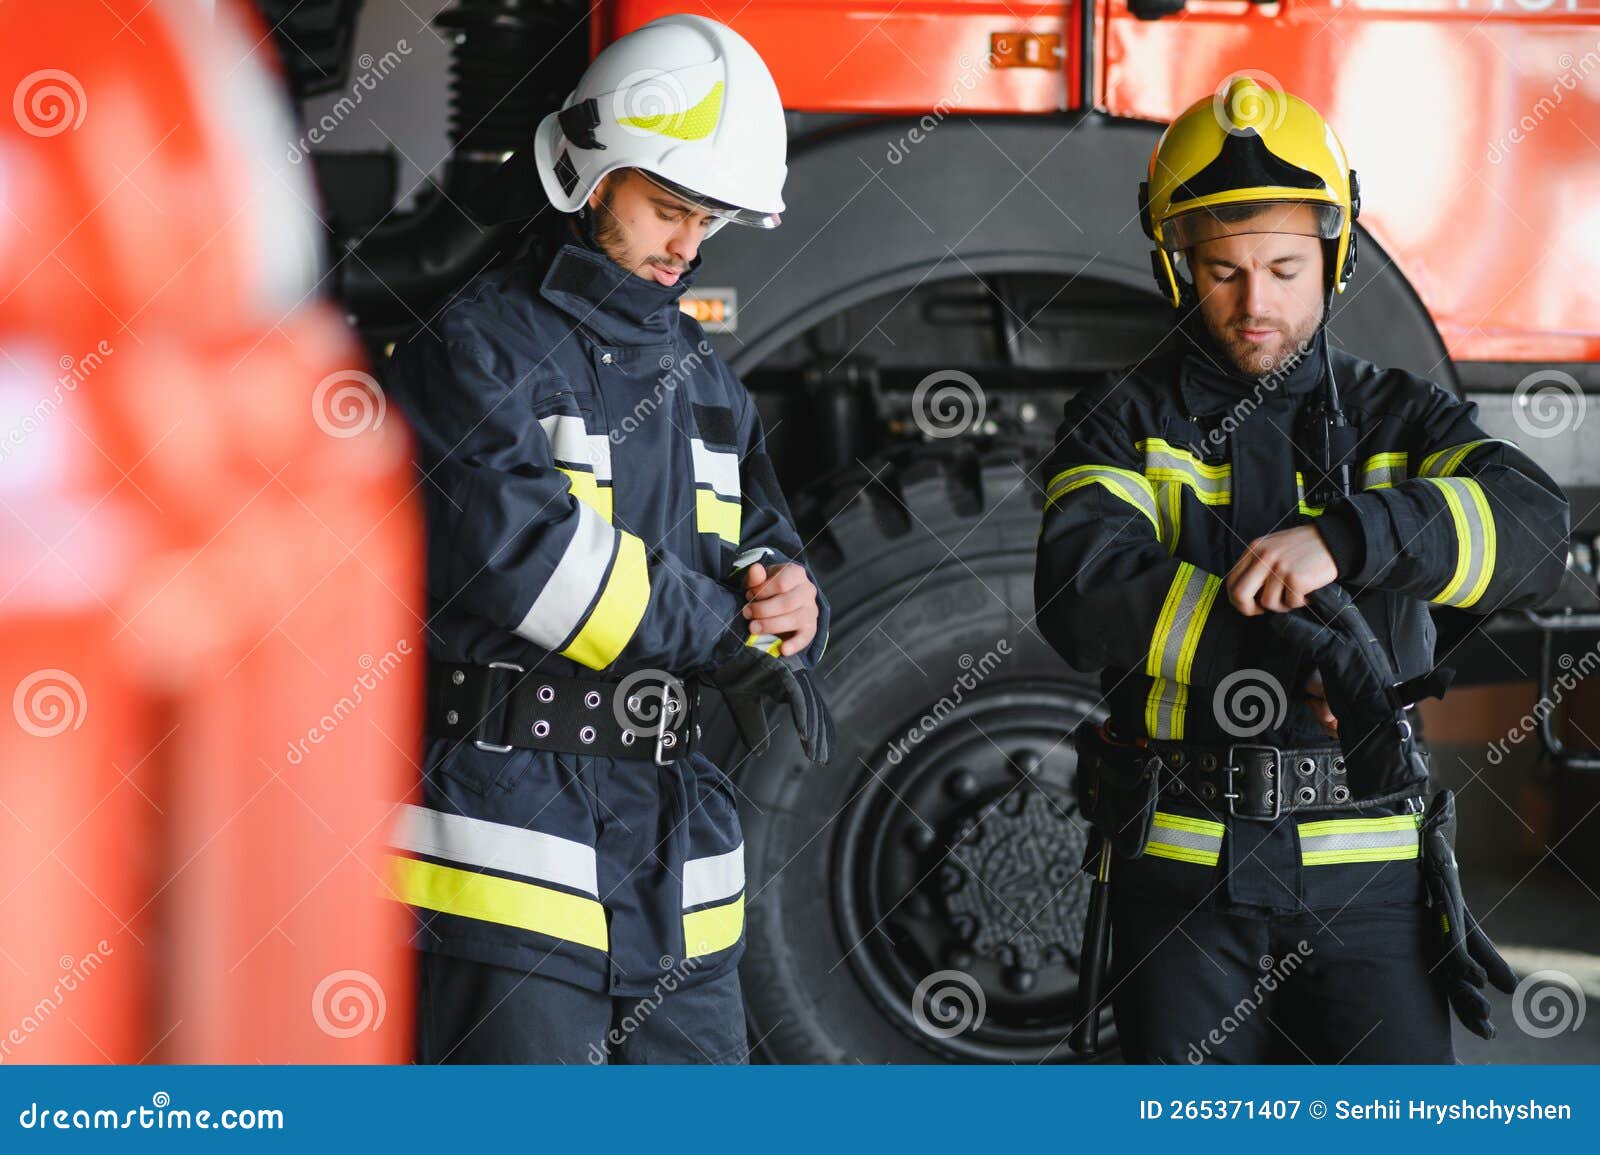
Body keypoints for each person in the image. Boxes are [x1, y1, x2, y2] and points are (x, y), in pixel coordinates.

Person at [1036, 77, 1570, 1063]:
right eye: (1222, 272)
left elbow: (1534, 528)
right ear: (1174, 269)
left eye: (1284, 269)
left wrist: (1350, 539)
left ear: (1334, 257)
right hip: (1184, 884)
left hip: (1369, 887)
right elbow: (1078, 590)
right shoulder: (1116, 420)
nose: (1255, 305)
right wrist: (1314, 656)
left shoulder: (1401, 418)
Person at [382, 13, 834, 1064]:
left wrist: (795, 608)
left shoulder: (706, 381)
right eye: (666, 209)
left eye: (709, 220)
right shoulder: (474, 349)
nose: (687, 245)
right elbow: (525, 563)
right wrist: (727, 633)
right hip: (510, 846)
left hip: (673, 864)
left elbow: (765, 548)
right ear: (588, 178)